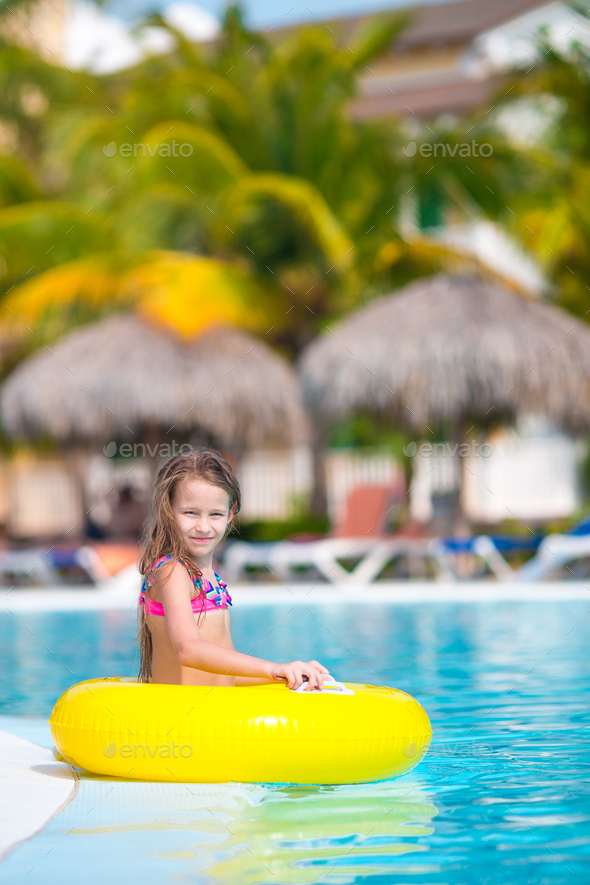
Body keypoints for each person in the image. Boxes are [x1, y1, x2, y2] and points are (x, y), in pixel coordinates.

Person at [135, 446, 329, 691]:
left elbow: (224, 676)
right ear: (167, 511)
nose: (203, 526)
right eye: (190, 513)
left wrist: (287, 673)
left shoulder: (210, 577)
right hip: (183, 720)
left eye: (215, 514)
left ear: (231, 514)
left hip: (211, 714)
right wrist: (272, 668)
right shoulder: (172, 572)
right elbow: (189, 650)